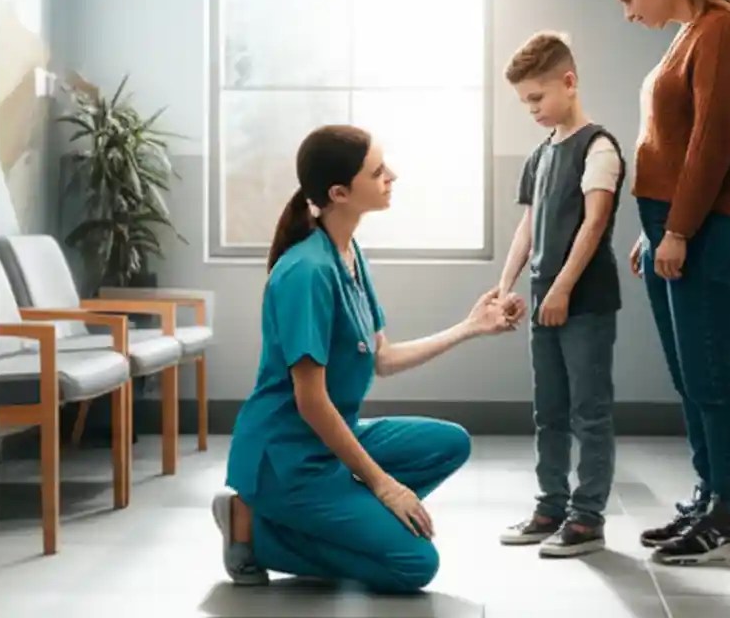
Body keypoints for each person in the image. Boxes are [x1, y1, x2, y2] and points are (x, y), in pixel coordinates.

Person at [215, 125, 525, 593]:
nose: (392, 175)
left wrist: (471, 327)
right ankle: (255, 530)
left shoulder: (348, 252)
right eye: (378, 171)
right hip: (286, 460)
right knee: (414, 564)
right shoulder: (307, 272)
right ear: (339, 192)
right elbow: (311, 401)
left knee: (450, 443)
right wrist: (381, 484)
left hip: (330, 443)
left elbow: (384, 357)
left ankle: (338, 517)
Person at [603, 0, 730, 566]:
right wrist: (656, 231)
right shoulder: (689, 35)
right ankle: (710, 497)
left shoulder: (721, 31)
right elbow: (675, 149)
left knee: (713, 374)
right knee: (691, 376)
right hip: (679, 230)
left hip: (708, 230)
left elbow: (711, 145)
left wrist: (677, 230)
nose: (627, 10)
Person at [494, 31, 626, 557]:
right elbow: (528, 227)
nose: (532, 110)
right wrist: (503, 287)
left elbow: (593, 227)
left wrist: (563, 288)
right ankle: (551, 505)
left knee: (588, 411)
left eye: (537, 98)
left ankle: (587, 518)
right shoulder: (541, 154)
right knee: (548, 409)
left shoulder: (599, 147)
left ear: (568, 83)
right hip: (544, 296)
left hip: (584, 301)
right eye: (525, 101)